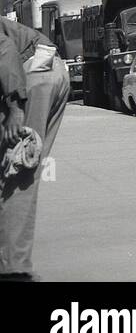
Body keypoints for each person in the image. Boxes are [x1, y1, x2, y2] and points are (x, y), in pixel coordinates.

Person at [0, 16, 70, 280]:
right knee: (14, 168)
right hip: (44, 71)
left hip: (33, 76)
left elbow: (4, 51)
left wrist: (16, 106)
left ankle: (12, 271)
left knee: (15, 170)